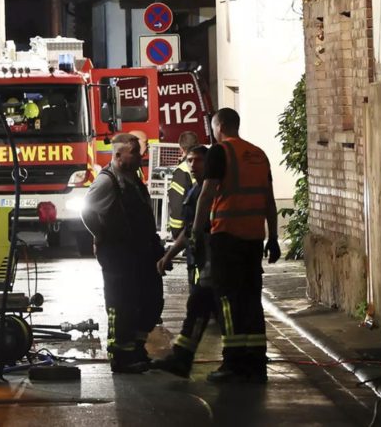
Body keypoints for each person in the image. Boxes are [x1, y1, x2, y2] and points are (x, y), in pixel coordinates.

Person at [191, 108, 281, 383]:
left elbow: (206, 195)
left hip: (227, 238)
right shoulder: (258, 154)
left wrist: (196, 233)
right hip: (254, 239)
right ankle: (255, 363)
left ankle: (233, 362)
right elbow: (269, 200)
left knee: (228, 301)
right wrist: (273, 238)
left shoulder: (220, 152)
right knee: (252, 299)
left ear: (219, 126)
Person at [81, 133, 165, 373]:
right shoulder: (107, 181)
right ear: (118, 155)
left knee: (149, 302)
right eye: (135, 152)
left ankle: (137, 349)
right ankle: (121, 356)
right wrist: (99, 234)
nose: (141, 156)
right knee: (122, 304)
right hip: (119, 253)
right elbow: (86, 211)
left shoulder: (133, 177)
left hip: (141, 251)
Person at [151, 145, 211, 378]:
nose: (192, 166)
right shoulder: (196, 191)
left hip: (214, 262)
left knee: (206, 308)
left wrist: (168, 255)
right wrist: (169, 255)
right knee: (200, 308)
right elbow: (188, 230)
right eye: (189, 161)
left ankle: (241, 361)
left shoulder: (211, 191)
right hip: (203, 261)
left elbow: (198, 229)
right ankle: (182, 359)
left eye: (197, 161)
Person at [166, 131, 201, 240]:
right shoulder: (207, 162)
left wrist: (177, 233)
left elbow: (177, 204)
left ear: (181, 149)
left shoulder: (182, 170)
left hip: (191, 229)